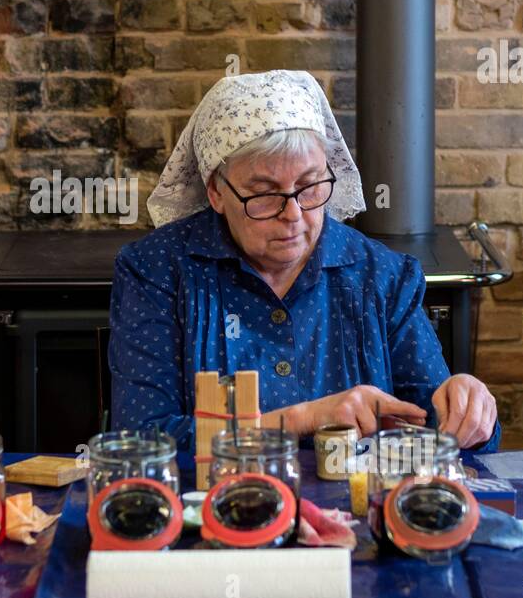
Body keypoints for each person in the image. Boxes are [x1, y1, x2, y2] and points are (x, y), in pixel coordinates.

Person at [109, 69, 500, 459]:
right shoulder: (158, 270)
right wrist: (305, 418)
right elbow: (141, 438)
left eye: (311, 185)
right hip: (217, 510)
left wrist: (469, 409)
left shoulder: (381, 276)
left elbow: (436, 425)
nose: (293, 213)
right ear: (215, 192)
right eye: (263, 194)